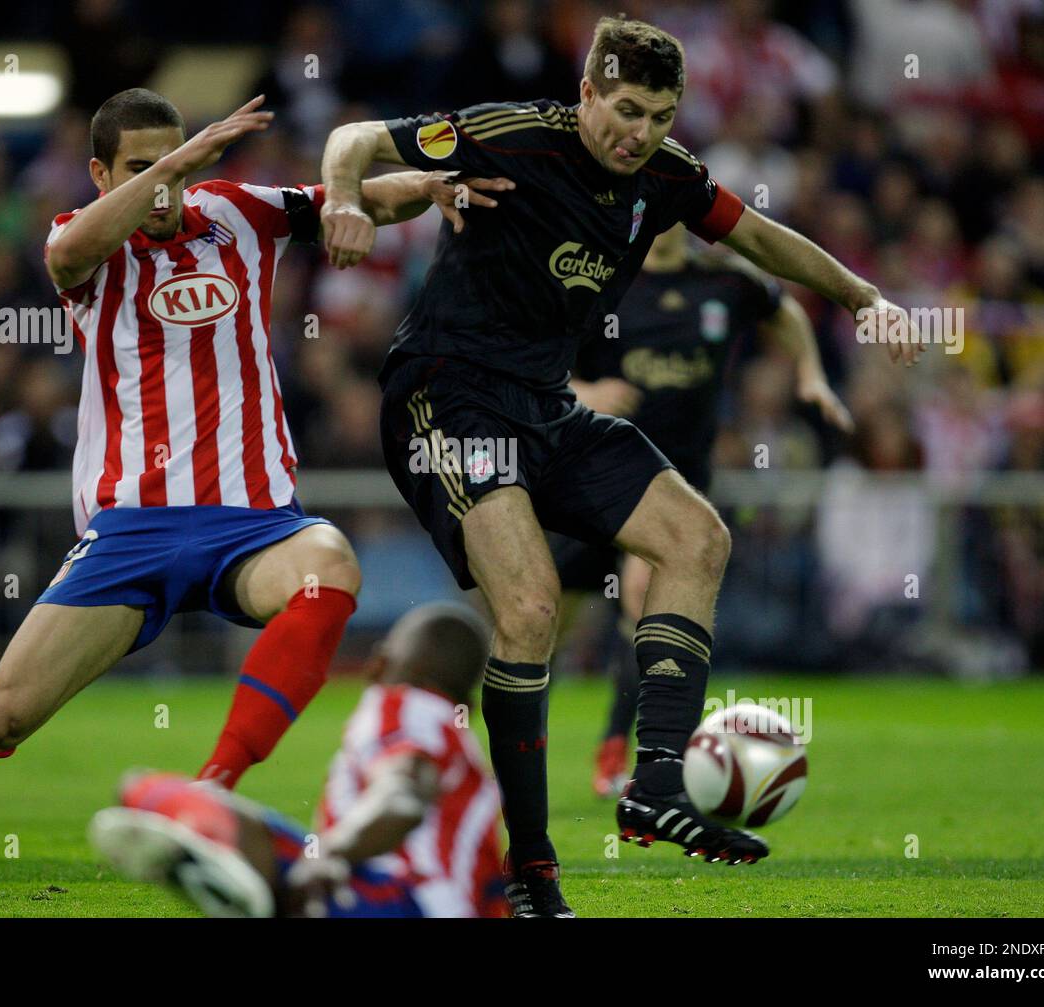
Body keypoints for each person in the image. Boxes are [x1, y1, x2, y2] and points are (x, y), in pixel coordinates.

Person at [0, 89, 510, 918]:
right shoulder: (83, 240)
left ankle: (211, 793)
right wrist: (176, 167)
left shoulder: (242, 212)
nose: (168, 186)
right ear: (103, 172)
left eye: (176, 163)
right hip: (129, 530)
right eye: (141, 170)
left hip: (253, 521)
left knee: (331, 568)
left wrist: (423, 191)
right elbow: (69, 251)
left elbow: (346, 199)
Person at [319, 14, 922, 915]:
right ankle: (528, 874)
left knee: (696, 537)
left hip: (547, 408)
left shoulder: (666, 179)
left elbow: (758, 237)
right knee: (527, 611)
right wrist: (342, 198)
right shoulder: (513, 132)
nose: (638, 133)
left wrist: (863, 294)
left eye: (660, 117)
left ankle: (658, 786)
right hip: (447, 392)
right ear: (589, 94)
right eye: (626, 109)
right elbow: (354, 138)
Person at [549, 221, 852, 797]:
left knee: (642, 601)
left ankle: (624, 752)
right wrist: (583, 394)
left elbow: (782, 308)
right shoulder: (601, 277)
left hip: (673, 486)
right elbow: (539, 357)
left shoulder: (723, 283)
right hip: (586, 478)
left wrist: (810, 373)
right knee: (541, 621)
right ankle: (499, 749)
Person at [90, 602, 507, 918]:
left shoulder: (400, 707)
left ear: (378, 664)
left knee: (147, 790)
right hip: (434, 900)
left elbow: (402, 797)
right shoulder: (457, 739)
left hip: (399, 902)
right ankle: (235, 878)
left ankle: (237, 878)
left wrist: (330, 854)